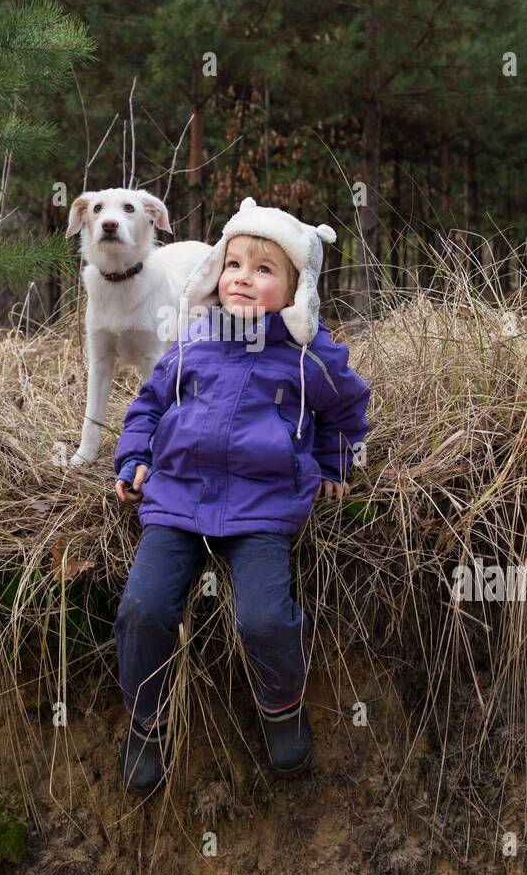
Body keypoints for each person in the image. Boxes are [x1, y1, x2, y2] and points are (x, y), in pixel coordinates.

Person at [112, 197, 371, 796]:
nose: (244, 280)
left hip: (262, 506)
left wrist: (334, 462)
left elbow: (346, 410)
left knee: (264, 617)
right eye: (234, 265)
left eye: (264, 269)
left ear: (295, 286)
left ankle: (281, 707)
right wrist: (135, 456)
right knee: (143, 611)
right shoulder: (193, 339)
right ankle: (147, 723)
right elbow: (149, 404)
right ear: (215, 273)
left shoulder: (309, 355)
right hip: (178, 499)